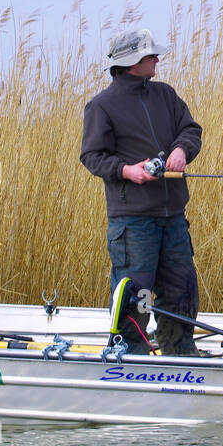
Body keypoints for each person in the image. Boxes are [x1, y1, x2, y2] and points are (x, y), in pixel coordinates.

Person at [80, 29, 203, 356]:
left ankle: (180, 354)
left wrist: (180, 150)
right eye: (152, 55)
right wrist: (128, 171)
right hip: (133, 225)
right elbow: (92, 156)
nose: (157, 59)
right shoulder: (102, 106)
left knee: (181, 290)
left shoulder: (165, 95)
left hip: (173, 219)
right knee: (138, 296)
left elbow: (191, 130)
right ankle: (129, 355)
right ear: (134, 61)